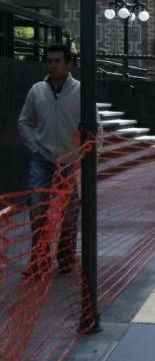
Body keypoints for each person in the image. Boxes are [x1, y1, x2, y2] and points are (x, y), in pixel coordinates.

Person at [17, 44, 101, 277]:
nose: (52, 65)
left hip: (71, 160)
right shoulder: (37, 90)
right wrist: (35, 145)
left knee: (70, 212)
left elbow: (95, 126)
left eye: (57, 61)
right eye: (49, 61)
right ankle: (38, 259)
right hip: (42, 159)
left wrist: (86, 156)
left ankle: (65, 257)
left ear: (68, 64)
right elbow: (24, 121)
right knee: (38, 210)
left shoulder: (81, 91)